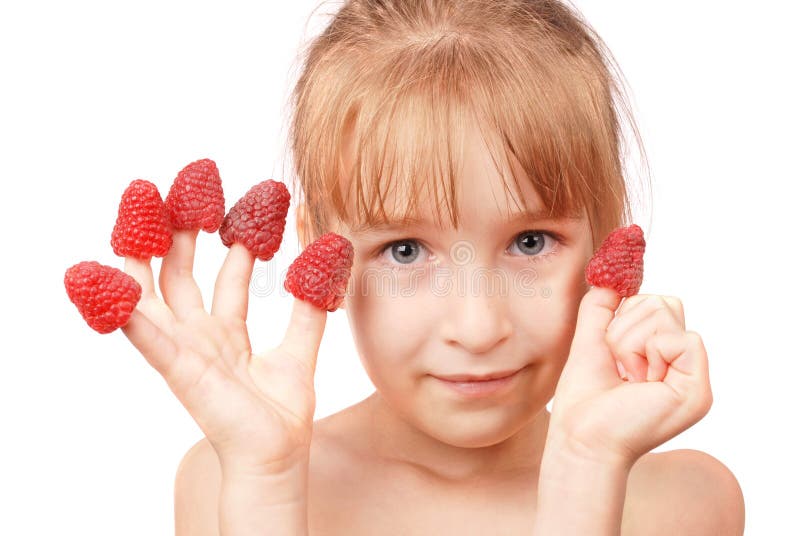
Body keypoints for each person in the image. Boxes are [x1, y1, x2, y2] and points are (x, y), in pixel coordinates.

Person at [121, 1, 745, 533]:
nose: (477, 329)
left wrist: (584, 474)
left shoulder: (684, 506)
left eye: (531, 242)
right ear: (323, 259)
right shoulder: (234, 478)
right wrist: (265, 484)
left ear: (606, 244)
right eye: (405, 250)